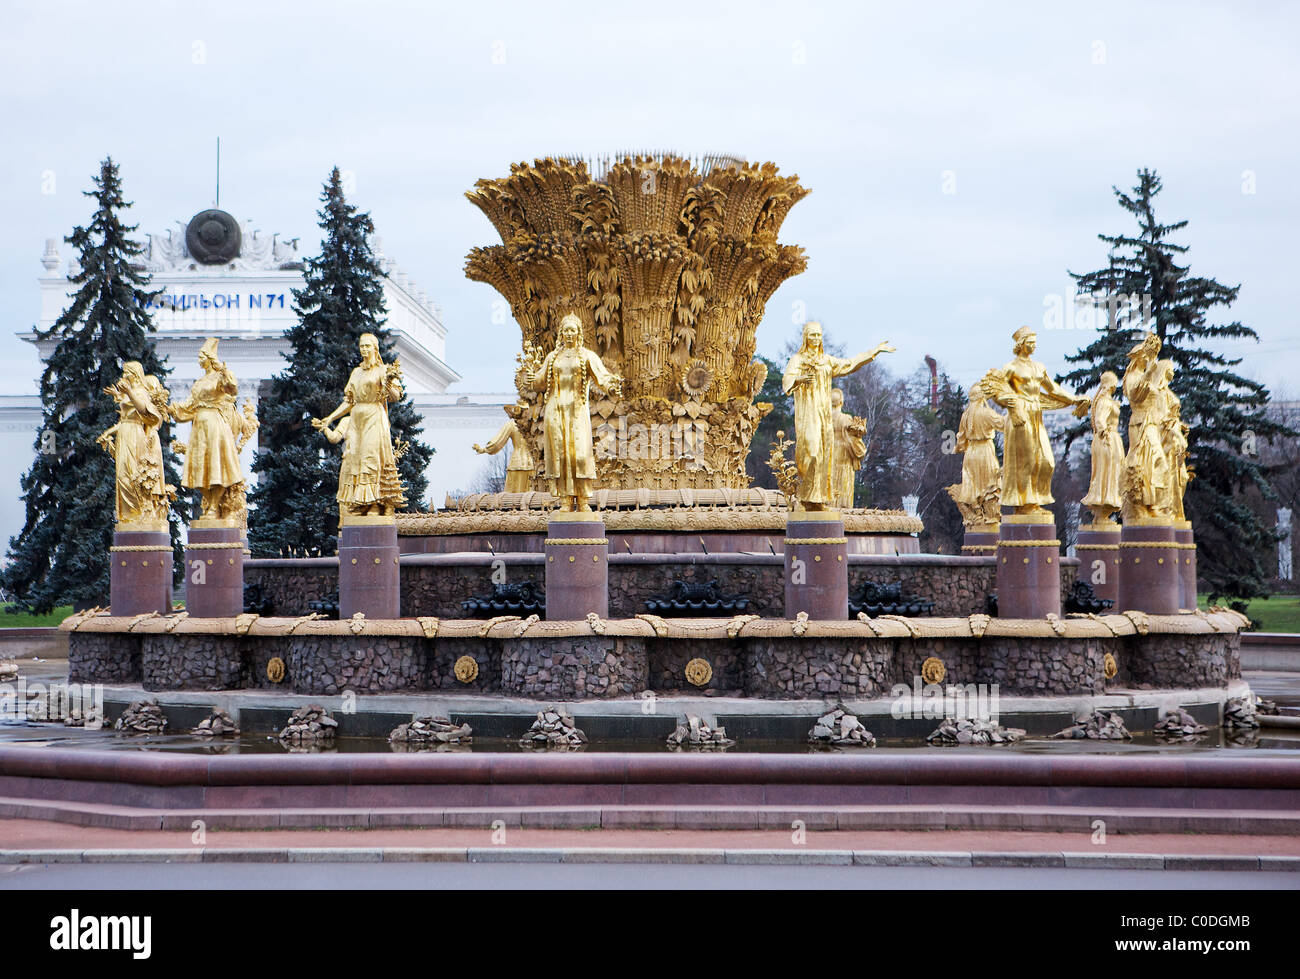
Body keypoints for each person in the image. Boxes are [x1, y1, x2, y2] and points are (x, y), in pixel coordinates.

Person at [781, 321, 894, 510]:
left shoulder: (826, 360)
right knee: (812, 452)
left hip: (824, 415)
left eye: (818, 335)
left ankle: (817, 500)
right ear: (805, 337)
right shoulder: (798, 360)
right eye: (812, 335)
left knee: (823, 454)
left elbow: (849, 364)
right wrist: (799, 379)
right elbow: (786, 380)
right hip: (808, 415)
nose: (816, 339)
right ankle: (806, 496)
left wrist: (874, 352)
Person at [981, 326, 1088, 515]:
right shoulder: (1010, 368)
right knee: (1027, 460)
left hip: (1036, 414)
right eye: (1030, 343)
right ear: (1021, 344)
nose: (1033, 346)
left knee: (1046, 460)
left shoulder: (1039, 367)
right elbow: (997, 393)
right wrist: (1012, 404)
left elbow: (1053, 390)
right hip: (1020, 416)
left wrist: (1074, 399)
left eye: (1035, 343)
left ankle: (1035, 499)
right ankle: (1025, 504)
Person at [527, 313, 622, 512]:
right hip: (556, 410)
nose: (569, 334)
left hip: (577, 411)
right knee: (560, 455)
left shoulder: (587, 356)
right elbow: (540, 381)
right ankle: (565, 499)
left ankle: (584, 498)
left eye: (573, 330)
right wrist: (529, 378)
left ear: (579, 333)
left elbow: (601, 378)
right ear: (561, 333)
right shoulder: (553, 357)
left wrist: (611, 386)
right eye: (566, 330)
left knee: (579, 454)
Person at [312, 333, 406, 518]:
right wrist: (330, 419)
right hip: (357, 419)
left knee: (370, 458)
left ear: (375, 348)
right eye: (361, 346)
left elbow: (395, 396)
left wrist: (389, 384)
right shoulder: (356, 372)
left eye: (367, 346)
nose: (364, 349)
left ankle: (374, 505)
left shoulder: (383, 370)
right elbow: (349, 401)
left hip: (374, 416)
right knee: (355, 459)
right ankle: (360, 504)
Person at [169, 338, 245, 520]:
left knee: (217, 466)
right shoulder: (199, 382)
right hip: (199, 427)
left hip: (214, 424)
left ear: (210, 358)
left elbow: (233, 389)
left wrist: (224, 370)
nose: (199, 360)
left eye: (201, 356)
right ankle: (208, 502)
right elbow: (188, 405)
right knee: (201, 467)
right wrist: (172, 409)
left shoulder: (219, 377)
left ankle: (214, 506)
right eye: (198, 356)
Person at [97, 362, 173, 526]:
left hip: (134, 434)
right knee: (122, 475)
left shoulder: (140, 392)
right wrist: (109, 432)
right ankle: (129, 515)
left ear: (135, 373)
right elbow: (125, 417)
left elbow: (144, 411)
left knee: (132, 475)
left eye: (127, 373)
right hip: (124, 433)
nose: (124, 376)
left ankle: (139, 513)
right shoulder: (129, 393)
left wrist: (129, 392)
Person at [1120, 333, 1171, 522]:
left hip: (1151, 423)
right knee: (1150, 462)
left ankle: (1152, 505)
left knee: (1155, 463)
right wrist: (1150, 371)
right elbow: (1136, 396)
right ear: (1139, 358)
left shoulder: (1144, 376)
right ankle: (1144, 503)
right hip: (1140, 423)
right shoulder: (1133, 377)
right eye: (1145, 357)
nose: (1147, 360)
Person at [946, 381, 1005, 528]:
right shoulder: (986, 413)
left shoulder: (966, 416)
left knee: (972, 487)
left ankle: (977, 518)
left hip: (970, 454)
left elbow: (961, 439)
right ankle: (988, 520)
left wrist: (957, 448)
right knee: (989, 486)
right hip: (985, 452)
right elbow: (1006, 425)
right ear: (982, 397)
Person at [1080, 371, 1124, 524]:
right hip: (1107, 441)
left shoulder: (1106, 400)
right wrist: (1105, 433)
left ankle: (1103, 514)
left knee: (1110, 473)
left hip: (1109, 440)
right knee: (1106, 473)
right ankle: (1101, 511)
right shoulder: (1104, 401)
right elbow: (1099, 420)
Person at [473, 405, 536, 494]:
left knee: (512, 499)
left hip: (516, 465)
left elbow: (498, 442)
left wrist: (484, 449)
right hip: (534, 465)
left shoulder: (512, 424)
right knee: (533, 499)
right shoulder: (536, 423)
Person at [830, 388, 866, 510]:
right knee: (843, 480)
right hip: (843, 452)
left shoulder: (824, 419)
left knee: (830, 477)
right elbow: (855, 434)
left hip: (828, 452)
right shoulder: (845, 418)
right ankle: (842, 505)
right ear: (841, 401)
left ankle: (829, 504)